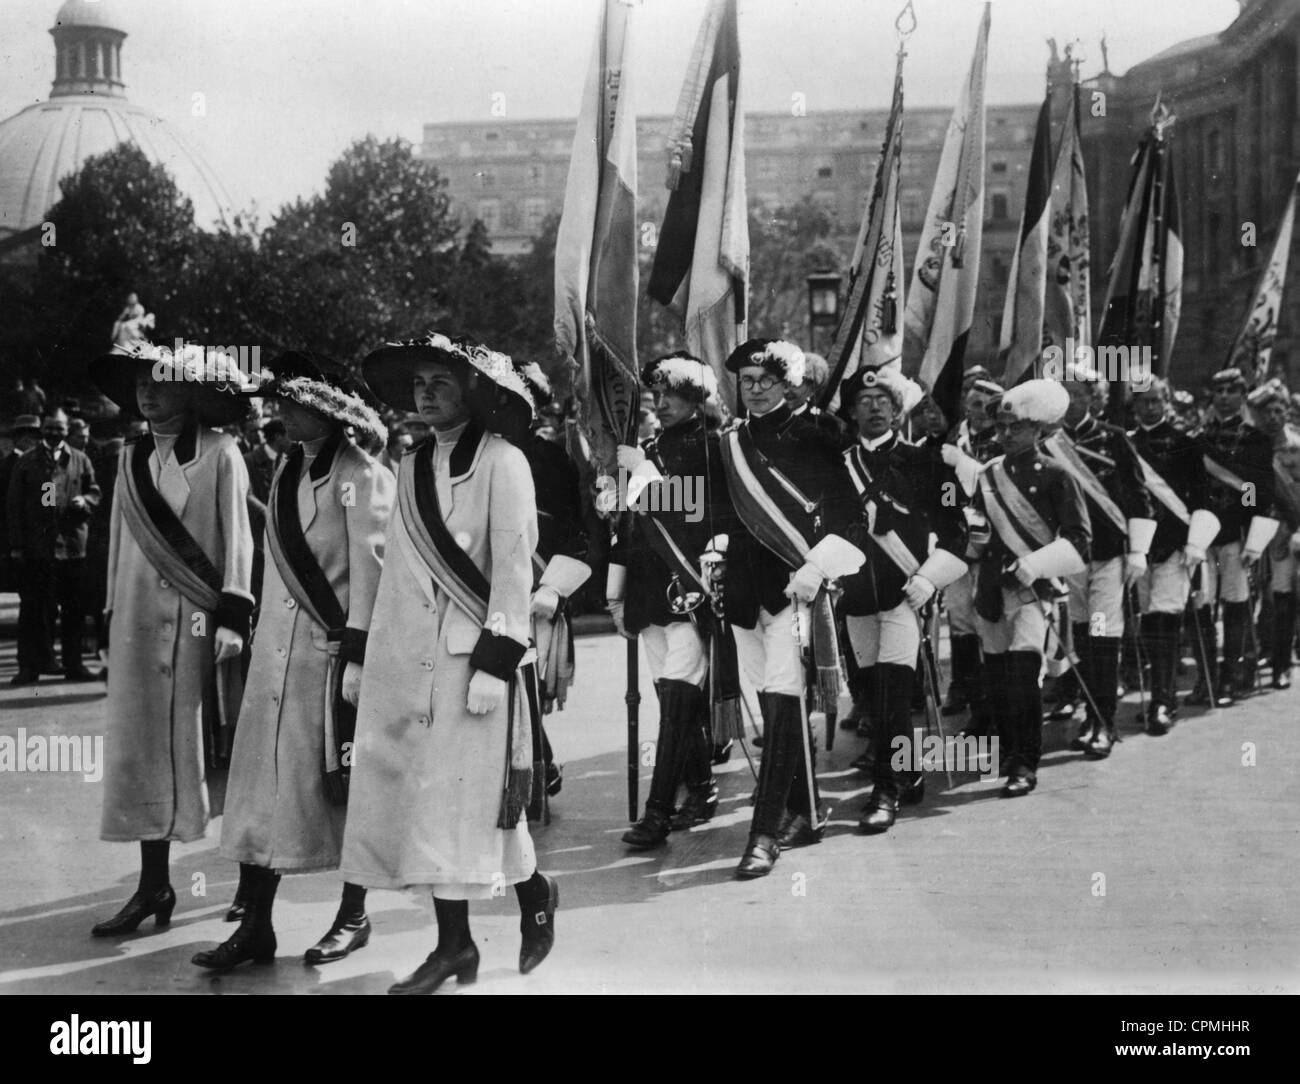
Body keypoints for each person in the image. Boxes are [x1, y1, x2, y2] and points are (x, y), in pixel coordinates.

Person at [339, 333, 558, 995]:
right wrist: (370, 658)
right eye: (418, 384)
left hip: (476, 664)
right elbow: (400, 577)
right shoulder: (407, 468)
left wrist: (496, 660)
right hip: (416, 664)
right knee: (431, 807)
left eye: (440, 382)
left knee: (467, 807)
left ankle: (512, 906)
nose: (425, 393)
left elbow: (514, 569)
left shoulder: (503, 463)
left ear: (472, 392)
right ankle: (463, 941)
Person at [193, 352, 393, 970]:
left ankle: (353, 915)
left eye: (294, 401)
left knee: (342, 790)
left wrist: (357, 661)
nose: (280, 410)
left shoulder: (363, 477)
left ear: (329, 411)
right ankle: (256, 925)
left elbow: (371, 577)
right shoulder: (288, 470)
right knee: (258, 792)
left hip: (329, 660)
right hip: (273, 656)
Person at [88, 343, 257, 938]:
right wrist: (108, 617)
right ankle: (152, 885)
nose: (148, 393)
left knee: (212, 749)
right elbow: (115, 544)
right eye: (141, 384)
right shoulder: (128, 456)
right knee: (141, 753)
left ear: (190, 393)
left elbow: (239, 539)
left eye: (161, 382)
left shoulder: (221, 453)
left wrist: (234, 615)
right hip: (136, 621)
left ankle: (247, 888)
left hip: (198, 620)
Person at [715, 338, 861, 878]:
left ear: (786, 384)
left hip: (796, 588)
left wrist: (817, 568)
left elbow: (849, 516)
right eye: (747, 381)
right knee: (780, 704)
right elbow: (714, 511)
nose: (754, 390)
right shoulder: (728, 442)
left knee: (781, 706)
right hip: (742, 596)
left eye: (765, 381)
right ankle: (808, 811)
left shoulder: (816, 436)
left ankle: (763, 833)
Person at [835, 367, 967, 833]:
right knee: (871, 697)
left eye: (883, 400)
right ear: (851, 411)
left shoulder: (929, 464)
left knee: (893, 695)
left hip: (903, 596)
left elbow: (958, 533)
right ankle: (907, 770)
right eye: (865, 400)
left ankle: (885, 791)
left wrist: (930, 579)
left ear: (896, 409)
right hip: (854, 599)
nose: (875, 407)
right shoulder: (838, 466)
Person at [609, 352, 730, 848]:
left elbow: (696, 509)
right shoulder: (649, 446)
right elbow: (625, 525)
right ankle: (700, 789)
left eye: (673, 394)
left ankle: (658, 811)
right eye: (657, 394)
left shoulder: (712, 448)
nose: (662, 403)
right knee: (673, 699)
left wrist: (642, 477)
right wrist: (614, 592)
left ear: (698, 398)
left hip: (688, 587)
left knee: (678, 699)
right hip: (645, 587)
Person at [970, 380, 1090, 797]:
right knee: (999, 676)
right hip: (990, 586)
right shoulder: (987, 475)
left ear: (1039, 430)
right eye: (1001, 428)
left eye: (1015, 428)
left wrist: (1034, 564)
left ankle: (1026, 761)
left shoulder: (1057, 475)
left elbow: (1079, 541)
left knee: (1024, 673)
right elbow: (974, 531)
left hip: (1033, 589)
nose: (1004, 436)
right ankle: (1007, 749)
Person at [1051, 363, 1155, 758]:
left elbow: (1138, 495)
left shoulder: (1113, 440)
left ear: (1094, 397)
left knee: (1101, 635)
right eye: (1065, 395)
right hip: (1069, 558)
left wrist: (1138, 550)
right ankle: (1090, 714)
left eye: (1079, 394)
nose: (1072, 401)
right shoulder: (1050, 441)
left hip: (1108, 555)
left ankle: (1103, 722)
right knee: (1081, 634)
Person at [511, 360, 590, 810]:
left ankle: (536, 768)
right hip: (486, 587)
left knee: (528, 688)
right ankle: (537, 765)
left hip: (538, 583)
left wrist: (554, 587)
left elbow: (573, 531)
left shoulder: (550, 458)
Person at [1129, 378, 1217, 731]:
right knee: (1147, 622)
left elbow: (1201, 497)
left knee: (1165, 620)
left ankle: (1163, 703)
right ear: (1134, 405)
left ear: (1165, 401)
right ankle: (1156, 697)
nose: (1151, 407)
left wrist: (1196, 543)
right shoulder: (1125, 443)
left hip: (1174, 545)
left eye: (1156, 400)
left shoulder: (1185, 444)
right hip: (1138, 546)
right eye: (1143, 401)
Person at [1190, 368, 1277, 705]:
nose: (1224, 396)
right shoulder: (1197, 438)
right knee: (1200, 605)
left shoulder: (1257, 440)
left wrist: (1244, 513)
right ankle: (1205, 677)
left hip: (1235, 533)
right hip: (1201, 534)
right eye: (1219, 390)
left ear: (1242, 395)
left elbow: (1260, 490)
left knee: (1237, 605)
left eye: (1231, 390)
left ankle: (1231, 677)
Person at [7, 409, 101, 685]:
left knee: (73, 610)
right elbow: (14, 507)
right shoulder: (26, 462)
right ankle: (29, 668)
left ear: (66, 430)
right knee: (33, 611)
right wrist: (17, 546)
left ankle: (74, 666)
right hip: (38, 549)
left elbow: (95, 490)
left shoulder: (80, 460)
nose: (53, 433)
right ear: (42, 430)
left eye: (59, 429)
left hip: (72, 547)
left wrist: (85, 500)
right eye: (49, 428)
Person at [939, 377, 1003, 729]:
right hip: (959, 540)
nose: (972, 409)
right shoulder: (955, 437)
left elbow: (993, 486)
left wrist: (962, 462)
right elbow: (947, 488)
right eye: (970, 401)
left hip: (992, 540)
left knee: (986, 618)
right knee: (960, 616)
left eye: (981, 404)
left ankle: (992, 703)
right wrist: (950, 513)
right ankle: (966, 689)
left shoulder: (1001, 440)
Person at [1246, 379, 1300, 689]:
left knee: (1282, 595)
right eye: (1266, 412)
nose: (1272, 417)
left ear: (1287, 412)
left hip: (1286, 531)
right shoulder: (1252, 448)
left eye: (1278, 411)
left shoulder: (1296, 446)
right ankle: (1256, 654)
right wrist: (1248, 512)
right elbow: (1248, 491)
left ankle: (1282, 664)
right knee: (1253, 595)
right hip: (1257, 530)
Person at [0, 414, 40, 594]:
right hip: (12, 533)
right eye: (25, 435)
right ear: (17, 438)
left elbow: (50, 497)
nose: (30, 440)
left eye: (35, 435)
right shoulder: (5, 466)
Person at [242, 419, 288, 505]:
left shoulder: (287, 460)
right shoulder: (248, 461)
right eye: (289, 436)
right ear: (278, 436)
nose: (294, 440)